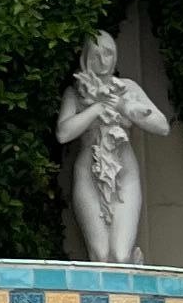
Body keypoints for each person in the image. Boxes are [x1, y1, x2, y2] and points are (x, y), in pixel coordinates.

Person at [57, 30, 170, 265]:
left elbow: (162, 126)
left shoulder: (127, 88)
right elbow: (63, 133)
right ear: (86, 57)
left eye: (108, 54)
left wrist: (123, 105)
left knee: (120, 255)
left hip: (124, 173)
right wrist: (96, 109)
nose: (102, 61)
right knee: (100, 255)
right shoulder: (76, 92)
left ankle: (132, 284)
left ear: (115, 57)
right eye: (96, 55)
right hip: (89, 172)